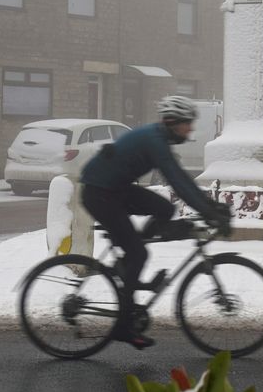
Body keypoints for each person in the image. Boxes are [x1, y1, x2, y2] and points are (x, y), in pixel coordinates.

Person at [80, 95, 231, 349]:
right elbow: (177, 181)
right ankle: (124, 326)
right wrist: (208, 212)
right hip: (100, 194)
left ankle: (127, 267)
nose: (191, 129)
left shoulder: (158, 138)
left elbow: (180, 177)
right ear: (174, 122)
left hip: (114, 189)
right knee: (139, 254)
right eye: (188, 124)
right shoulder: (155, 141)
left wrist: (210, 206)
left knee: (164, 208)